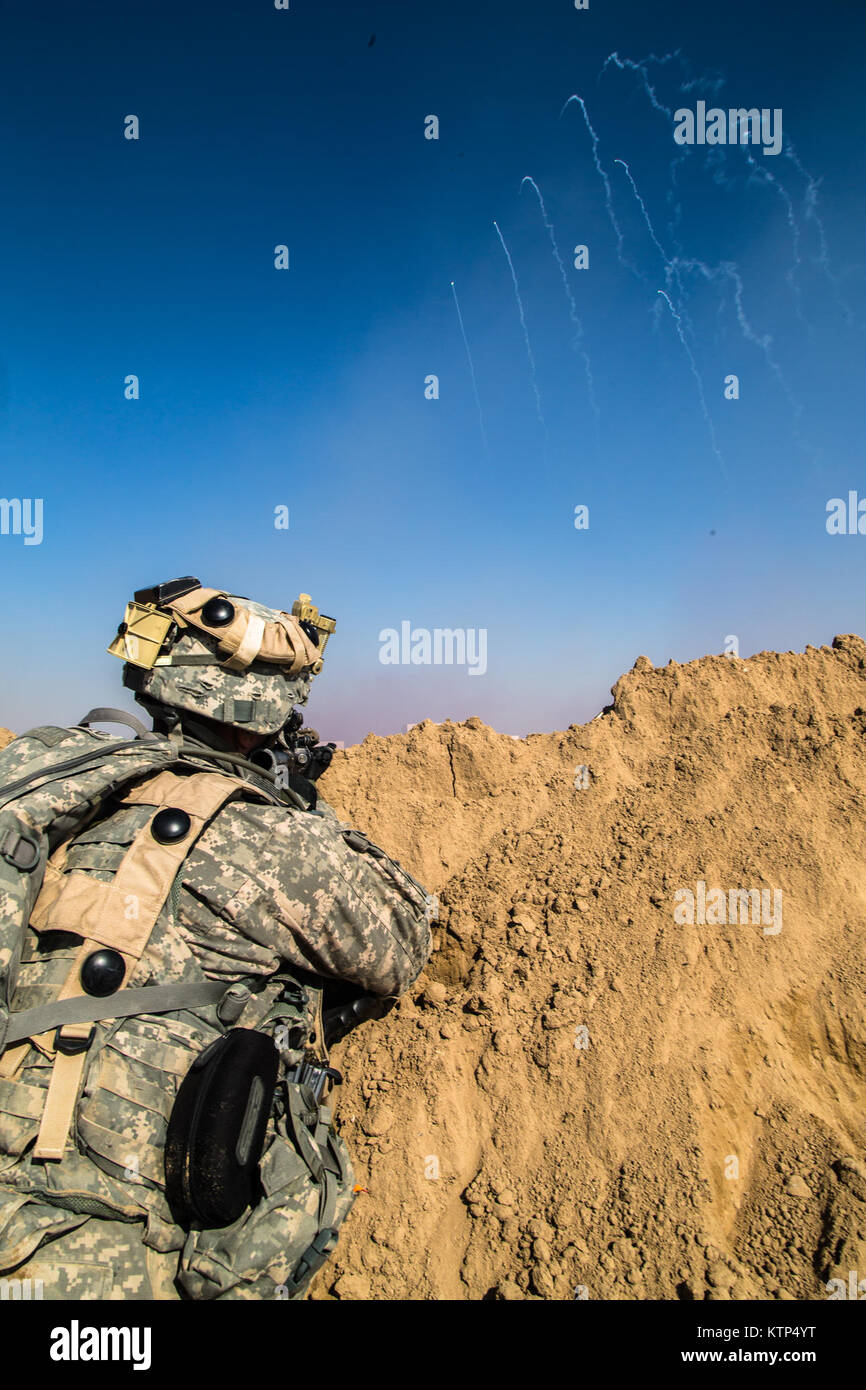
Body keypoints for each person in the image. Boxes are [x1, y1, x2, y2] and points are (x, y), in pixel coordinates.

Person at [0, 577, 432, 1299]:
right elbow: (401, 940)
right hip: (103, 1256)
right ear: (249, 720)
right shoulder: (250, 834)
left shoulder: (63, 782)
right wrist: (306, 809)